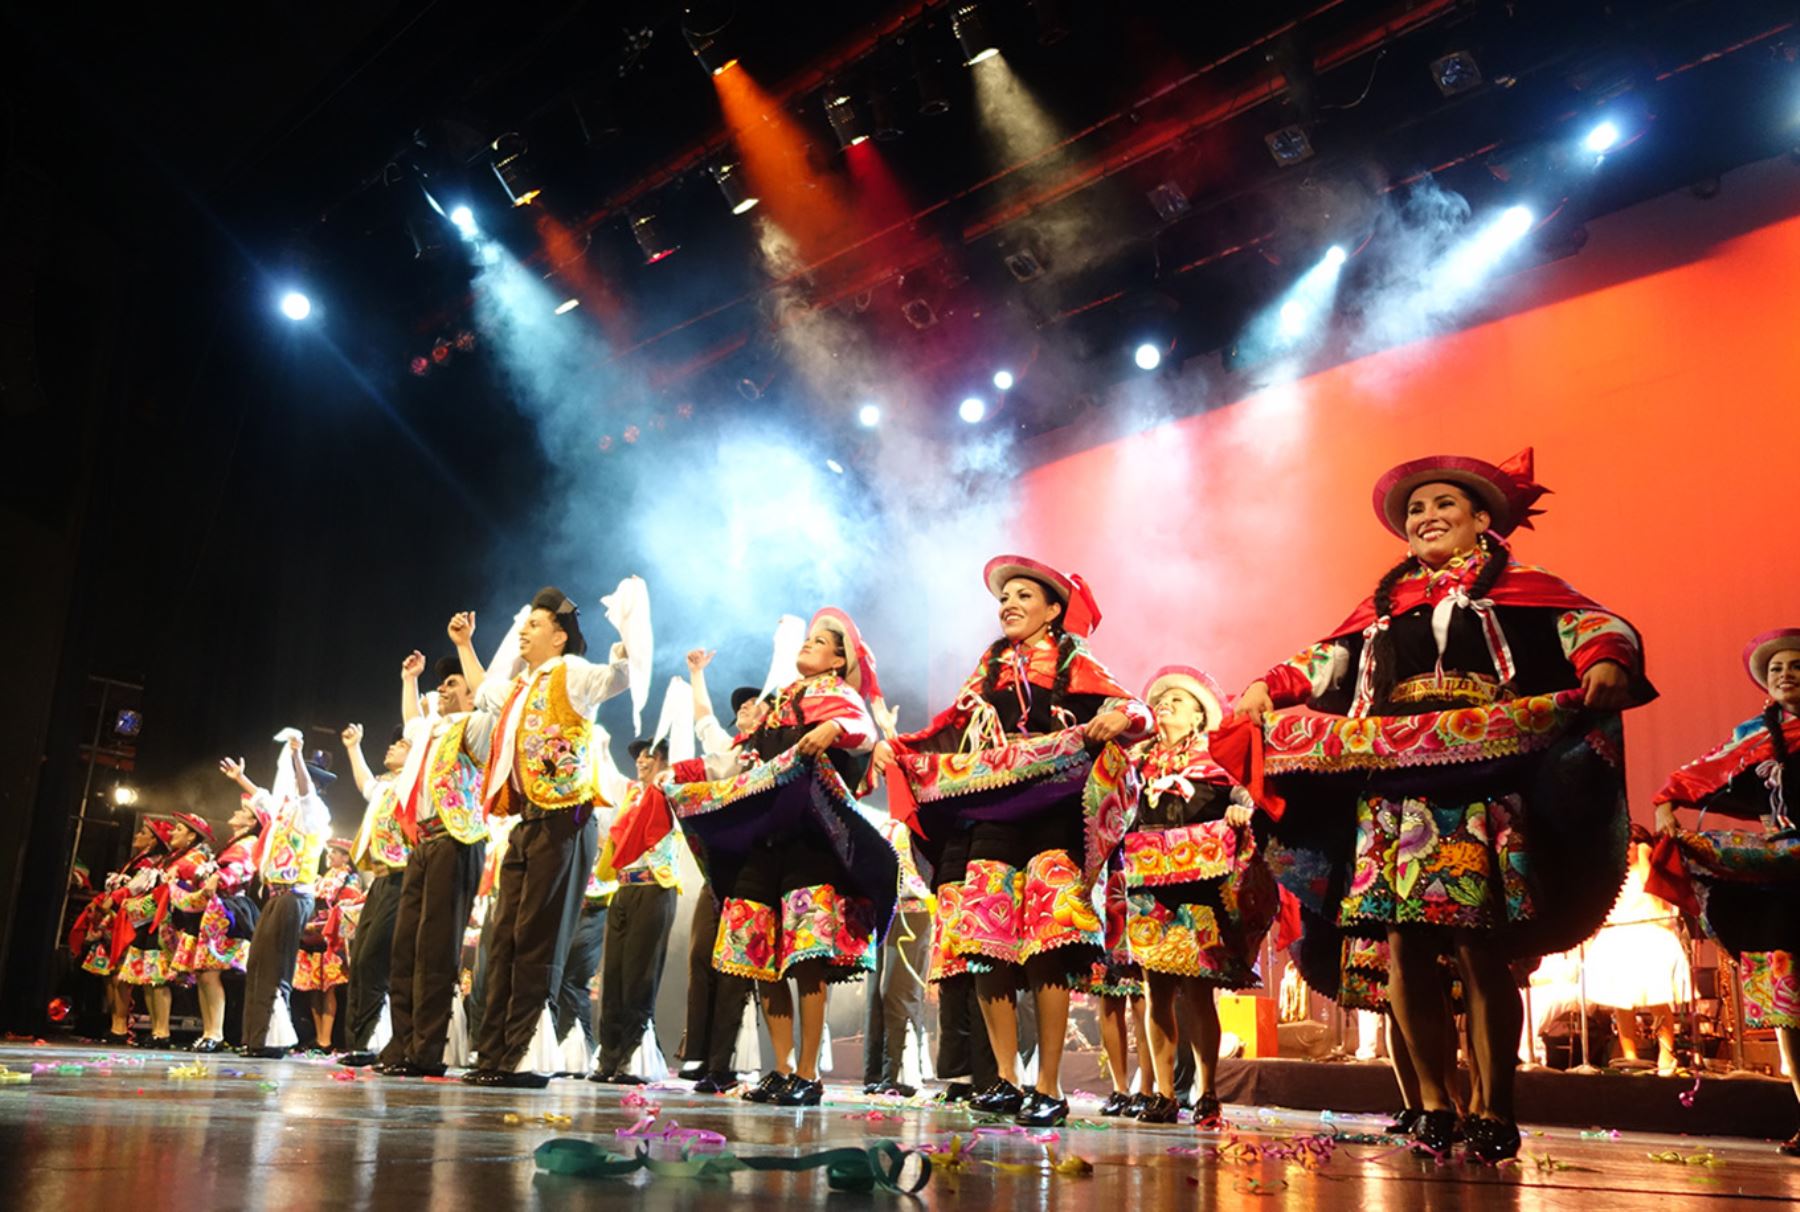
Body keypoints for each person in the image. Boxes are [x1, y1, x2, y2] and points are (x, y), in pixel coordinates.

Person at [1235, 448, 1654, 1162]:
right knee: (1405, 949)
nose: (1426, 518)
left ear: (1482, 519)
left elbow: (1589, 626)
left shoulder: (1521, 587)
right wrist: (1267, 689)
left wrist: (1606, 659)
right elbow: (1322, 661)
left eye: (1443, 506)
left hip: (1481, 784)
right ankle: (1432, 1103)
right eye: (1416, 511)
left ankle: (1494, 1106)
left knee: (1479, 949)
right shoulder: (1383, 606)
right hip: (1393, 790)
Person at [872, 554, 1151, 1128]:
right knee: (985, 942)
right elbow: (949, 725)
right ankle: (1005, 1077)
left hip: (1055, 810)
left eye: (1025, 596)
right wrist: (898, 747)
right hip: (993, 813)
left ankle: (1047, 1084)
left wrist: (1120, 718)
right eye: (1006, 597)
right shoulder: (990, 666)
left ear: (1053, 610)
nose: (1010, 604)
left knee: (1048, 943)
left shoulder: (1075, 660)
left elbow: (1133, 707)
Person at [661, 608, 898, 1107]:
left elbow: (862, 729)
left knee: (806, 959)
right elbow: (737, 759)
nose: (808, 645)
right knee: (759, 957)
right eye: (807, 639)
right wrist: (680, 778)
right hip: (764, 843)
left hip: (811, 841)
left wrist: (831, 731)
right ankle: (782, 1068)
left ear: (839, 658)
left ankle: (808, 1074)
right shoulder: (776, 705)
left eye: (820, 641)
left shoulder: (837, 697)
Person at [464, 586, 634, 1088]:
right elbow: (483, 691)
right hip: (528, 820)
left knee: (537, 940)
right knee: (505, 939)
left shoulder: (571, 672)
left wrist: (627, 631)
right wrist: (465, 646)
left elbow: (616, 678)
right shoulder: (521, 686)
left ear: (559, 638)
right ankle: (493, 1051)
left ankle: (523, 1055)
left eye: (534, 625)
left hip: (565, 819)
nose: (523, 631)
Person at [1650, 627, 1800, 1159]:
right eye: (1777, 669)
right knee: (1788, 1001)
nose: (1786, 675)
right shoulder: (1754, 736)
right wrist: (1668, 809)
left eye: (1797, 667)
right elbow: (1687, 780)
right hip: (1785, 876)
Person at [1117, 666, 1280, 1125]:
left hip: (1199, 886)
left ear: (1198, 717)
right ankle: (1164, 1094)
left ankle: (1206, 1090)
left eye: (1178, 700)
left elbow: (1251, 793)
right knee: (1155, 991)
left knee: (1198, 993)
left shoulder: (1215, 758)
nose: (1166, 703)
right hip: (1147, 885)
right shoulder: (1138, 762)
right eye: (1162, 699)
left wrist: (1238, 808)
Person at [376, 618, 496, 1078]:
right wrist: (409, 680)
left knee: (434, 950)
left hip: (456, 840)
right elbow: (412, 721)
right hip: (423, 844)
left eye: (451, 683)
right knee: (405, 947)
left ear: (470, 693)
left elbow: (489, 698)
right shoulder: (432, 731)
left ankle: (426, 1049)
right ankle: (402, 1042)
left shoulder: (476, 727)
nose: (442, 689)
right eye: (440, 683)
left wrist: (466, 646)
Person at [678, 661, 768, 1092]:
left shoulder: (773, 750)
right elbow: (704, 721)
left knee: (735, 965)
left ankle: (721, 1062)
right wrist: (696, 674)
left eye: (756, 703)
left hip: (755, 866)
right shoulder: (729, 750)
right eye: (744, 707)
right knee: (700, 956)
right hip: (717, 867)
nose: (749, 709)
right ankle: (696, 1054)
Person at [225, 733, 334, 1057]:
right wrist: (240, 778)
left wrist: (298, 756)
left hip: (296, 895)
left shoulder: (315, 810)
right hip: (276, 895)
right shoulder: (284, 813)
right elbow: (262, 797)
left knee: (275, 967)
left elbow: (304, 792)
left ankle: (272, 1040)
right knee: (258, 964)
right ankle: (258, 1037)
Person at [590, 738, 682, 1083]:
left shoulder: (670, 791)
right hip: (624, 889)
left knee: (639, 975)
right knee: (612, 975)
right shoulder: (631, 796)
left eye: (650, 755)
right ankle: (610, 1057)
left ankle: (635, 1058)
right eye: (640, 756)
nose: (642, 761)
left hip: (654, 888)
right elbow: (606, 784)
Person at [335, 717, 413, 1065]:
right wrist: (354, 748)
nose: (392, 746)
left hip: (403, 877)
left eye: (401, 744)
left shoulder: (415, 783)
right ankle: (359, 1042)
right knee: (362, 959)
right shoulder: (385, 785)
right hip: (380, 880)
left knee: (376, 958)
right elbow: (366, 782)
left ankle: (374, 1040)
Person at [169, 801, 262, 1051]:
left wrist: (217, 877)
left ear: (252, 822)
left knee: (210, 971)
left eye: (242, 811)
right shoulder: (232, 844)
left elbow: (241, 868)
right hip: (215, 908)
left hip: (229, 908)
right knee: (203, 972)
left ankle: (216, 1032)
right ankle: (209, 1031)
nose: (235, 811)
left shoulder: (248, 843)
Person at [71, 820, 169, 1045]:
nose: (136, 835)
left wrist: (113, 901)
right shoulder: (137, 861)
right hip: (114, 917)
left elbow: (134, 890)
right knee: (110, 971)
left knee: (120, 973)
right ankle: (116, 1023)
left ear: (154, 841)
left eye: (143, 833)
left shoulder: (150, 864)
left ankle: (122, 1025)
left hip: (127, 919)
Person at [118, 816, 208, 1047]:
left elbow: (195, 890)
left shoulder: (196, 859)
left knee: (160, 977)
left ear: (191, 835)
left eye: (179, 829)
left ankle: (162, 1030)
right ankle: (158, 1030)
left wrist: (172, 887)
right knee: (149, 975)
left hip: (174, 920)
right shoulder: (171, 858)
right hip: (156, 917)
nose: (172, 834)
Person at [862, 814, 933, 1098]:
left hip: (914, 908)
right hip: (883, 912)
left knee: (898, 991)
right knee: (877, 995)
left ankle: (901, 1073)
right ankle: (876, 1072)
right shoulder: (883, 825)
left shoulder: (921, 822)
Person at [294, 839, 359, 1051]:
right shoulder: (323, 878)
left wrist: (320, 926)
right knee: (314, 988)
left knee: (328, 989)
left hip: (331, 938)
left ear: (346, 857)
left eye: (334, 853)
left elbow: (346, 914)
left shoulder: (349, 881)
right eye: (329, 852)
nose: (329, 856)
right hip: (312, 936)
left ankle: (326, 1038)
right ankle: (319, 1036)